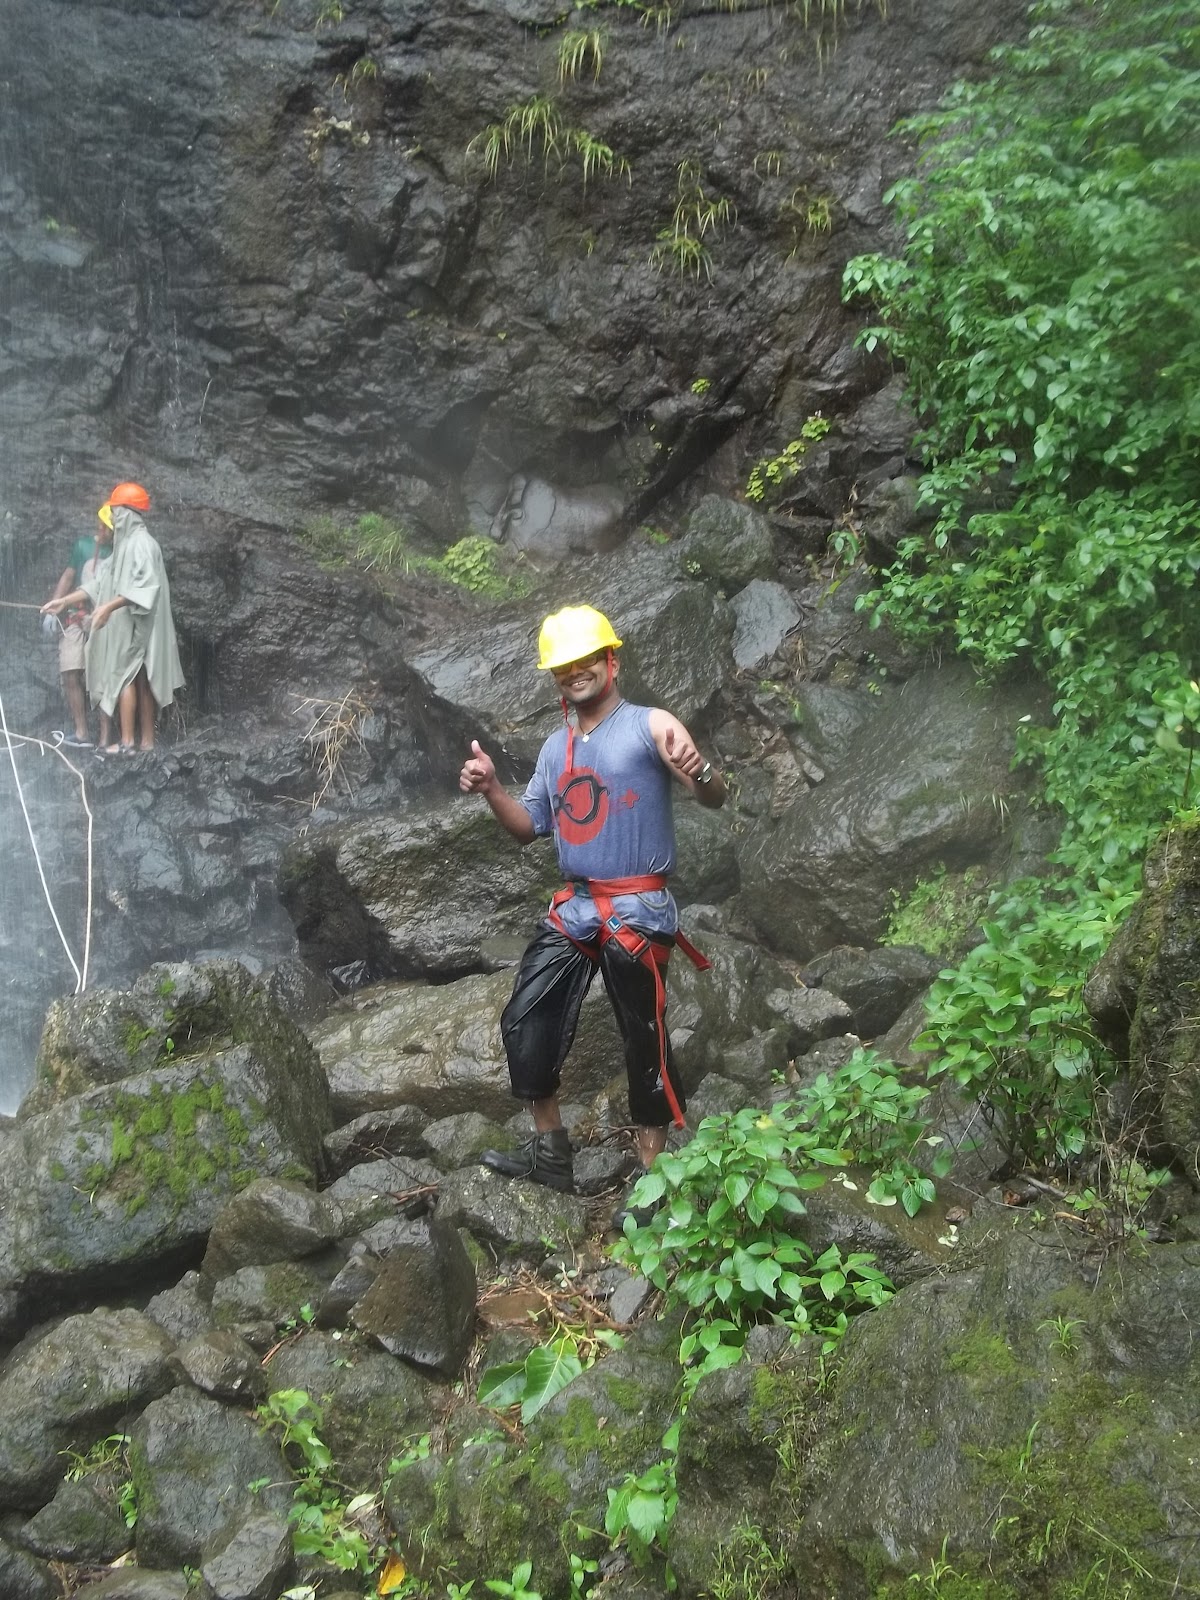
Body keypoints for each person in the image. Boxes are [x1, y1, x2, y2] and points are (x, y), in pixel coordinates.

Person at [458, 604, 727, 1223]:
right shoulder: (556, 750)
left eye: (586, 660)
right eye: (562, 666)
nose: (574, 672)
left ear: (612, 661)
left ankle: (654, 1168)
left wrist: (702, 770)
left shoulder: (651, 725)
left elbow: (712, 797)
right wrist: (493, 789)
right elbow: (530, 829)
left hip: (638, 903)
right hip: (577, 903)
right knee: (525, 1015)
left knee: (641, 1027)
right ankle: (551, 1151)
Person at [42, 482, 184, 754]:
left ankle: (130, 742)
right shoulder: (124, 546)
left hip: (143, 627)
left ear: (128, 512)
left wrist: (109, 607)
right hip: (133, 626)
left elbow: (147, 586)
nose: (113, 518)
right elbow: (99, 583)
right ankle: (144, 743)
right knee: (139, 679)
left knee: (128, 677)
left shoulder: (142, 544)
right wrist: (64, 601)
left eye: (116, 511)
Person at [44, 504, 114, 749]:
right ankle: (81, 732)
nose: (105, 531)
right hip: (76, 614)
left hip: (104, 618)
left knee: (103, 675)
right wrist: (54, 608)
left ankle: (106, 736)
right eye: (105, 526)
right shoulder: (82, 545)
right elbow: (68, 575)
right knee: (70, 670)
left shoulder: (120, 551)